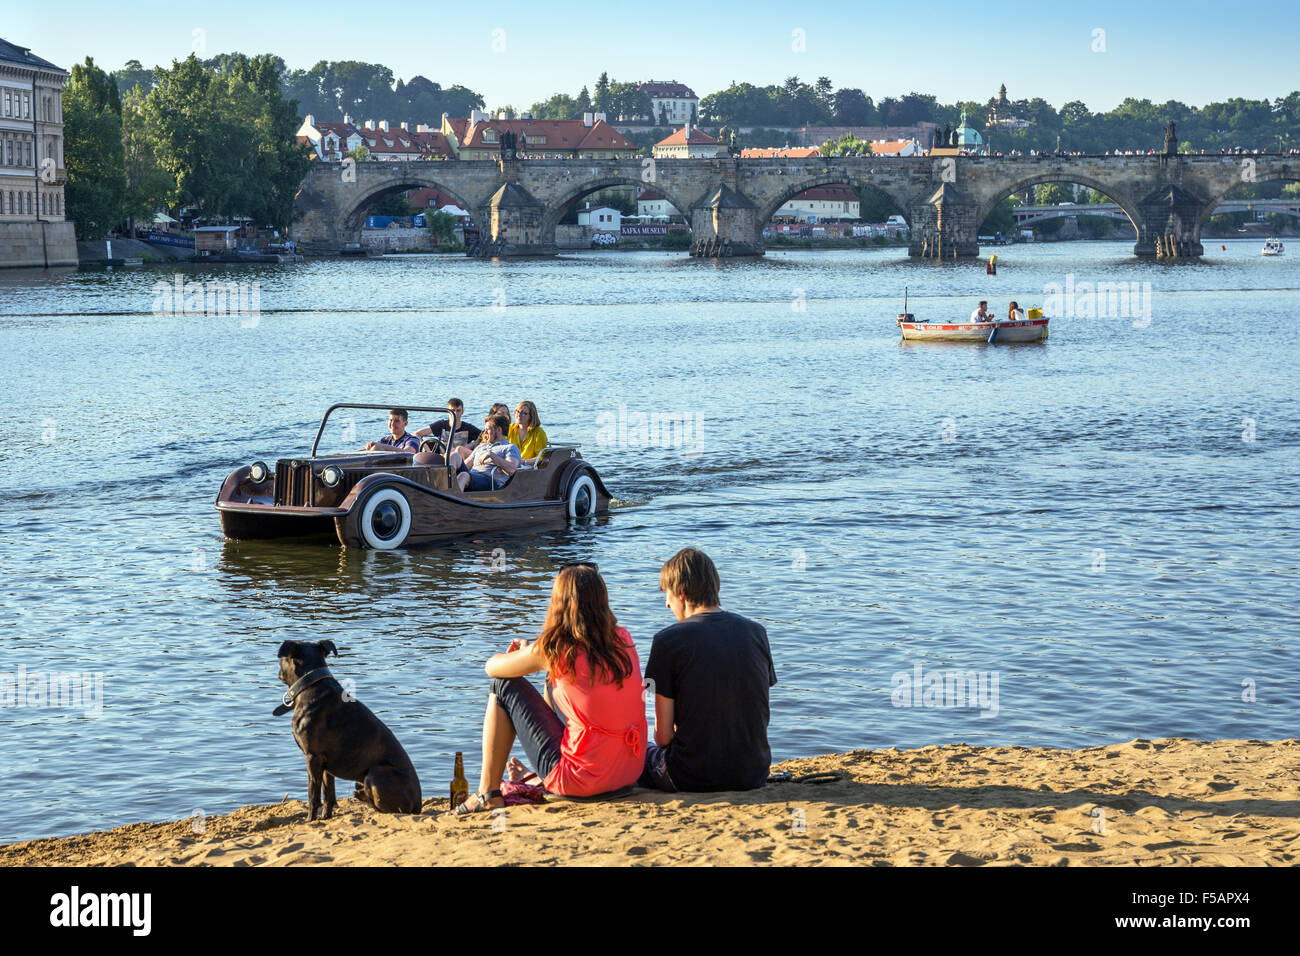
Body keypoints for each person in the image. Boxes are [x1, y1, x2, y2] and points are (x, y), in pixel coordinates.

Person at [453, 564, 647, 813]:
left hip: (581, 782)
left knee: (502, 685)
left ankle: (487, 793)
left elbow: (492, 668)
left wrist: (527, 655)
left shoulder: (554, 649)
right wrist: (534, 655)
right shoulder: (623, 639)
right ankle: (535, 774)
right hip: (627, 773)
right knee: (557, 682)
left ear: (559, 602)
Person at [639, 548, 776, 793]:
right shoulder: (757, 633)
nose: (667, 603)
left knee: (640, 751)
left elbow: (663, 738)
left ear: (681, 592)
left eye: (667, 594)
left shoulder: (667, 641)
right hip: (753, 773)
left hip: (692, 777)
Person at [450, 413, 521, 491]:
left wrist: (491, 455)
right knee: (455, 456)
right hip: (473, 477)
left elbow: (511, 470)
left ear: (499, 430)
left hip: (490, 481)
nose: (485, 433)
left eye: (488, 429)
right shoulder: (481, 446)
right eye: (485, 430)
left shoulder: (510, 448)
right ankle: (442, 489)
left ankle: (449, 500)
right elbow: (466, 466)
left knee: (464, 475)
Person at [413, 397, 481, 449]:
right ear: (447, 412)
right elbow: (416, 434)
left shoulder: (468, 428)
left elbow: (484, 436)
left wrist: (472, 445)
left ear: (462, 412)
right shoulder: (441, 425)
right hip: (442, 460)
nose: (455, 413)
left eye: (458, 410)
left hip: (461, 460)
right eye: (452, 410)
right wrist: (427, 450)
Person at [509, 401, 548, 465]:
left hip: (529, 469)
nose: (519, 415)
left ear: (531, 416)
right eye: (518, 411)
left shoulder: (539, 433)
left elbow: (540, 457)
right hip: (509, 465)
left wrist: (523, 462)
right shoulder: (509, 429)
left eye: (524, 413)